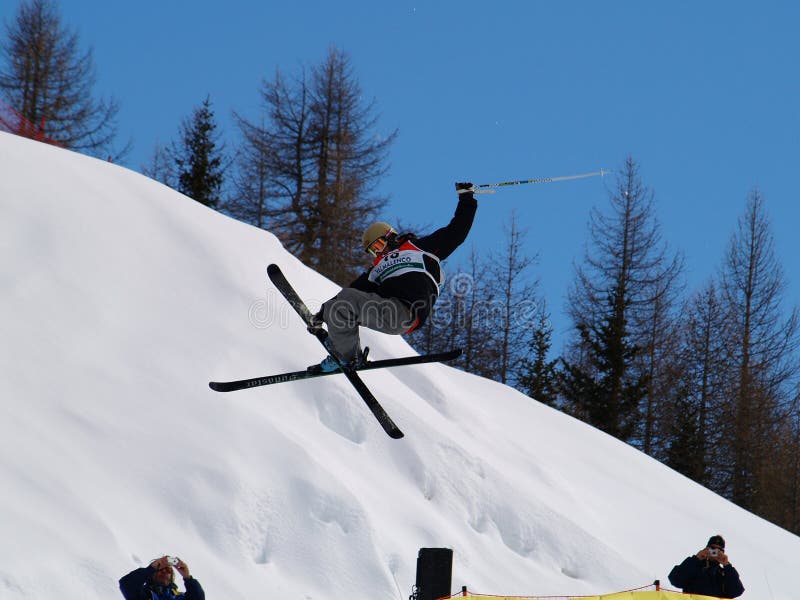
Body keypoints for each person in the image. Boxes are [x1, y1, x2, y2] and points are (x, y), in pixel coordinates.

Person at [311, 181, 478, 372]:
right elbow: (350, 293)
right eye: (373, 251)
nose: (378, 253)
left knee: (346, 299)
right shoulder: (376, 270)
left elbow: (456, 231)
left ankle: (346, 358)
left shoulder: (419, 248)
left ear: (390, 236)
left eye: (379, 245)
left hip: (407, 309)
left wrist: (466, 198)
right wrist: (324, 312)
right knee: (338, 306)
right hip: (385, 310)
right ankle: (346, 355)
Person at [668, 535, 745, 598]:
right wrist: (696, 558)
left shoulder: (724, 574)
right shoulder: (695, 566)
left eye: (719, 550)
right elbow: (675, 580)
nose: (715, 552)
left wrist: (727, 565)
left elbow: (736, 591)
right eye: (713, 549)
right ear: (707, 548)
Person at [119, 555, 205, 600]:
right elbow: (127, 585)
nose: (164, 572)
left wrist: (187, 577)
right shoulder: (145, 595)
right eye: (160, 569)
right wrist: (151, 568)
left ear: (171, 577)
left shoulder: (179, 597)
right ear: (152, 574)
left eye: (167, 570)